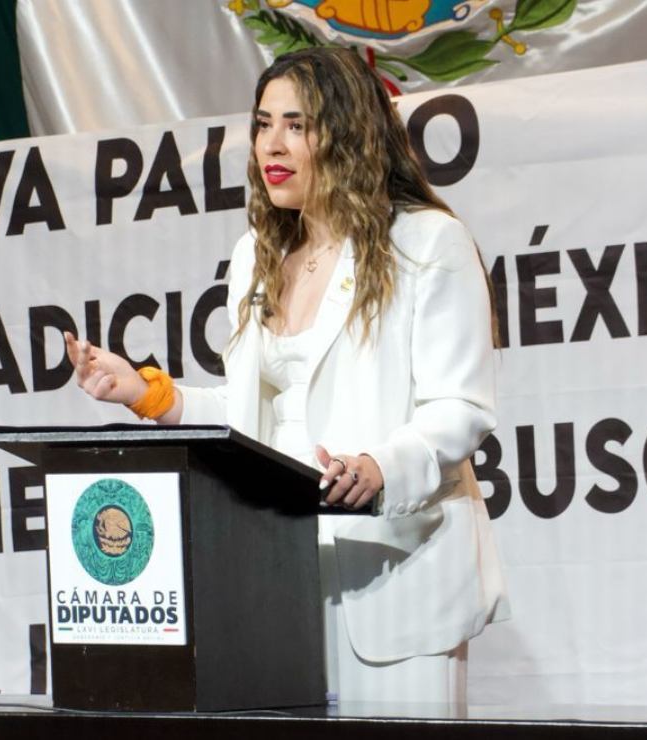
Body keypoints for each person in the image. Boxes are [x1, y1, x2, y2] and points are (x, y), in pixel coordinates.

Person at [63, 47, 509, 704]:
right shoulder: (256, 255)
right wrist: (148, 394)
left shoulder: (424, 242)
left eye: (297, 125)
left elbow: (461, 407)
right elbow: (257, 420)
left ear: (348, 134)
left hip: (394, 564)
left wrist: (381, 467)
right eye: (263, 124)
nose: (272, 144)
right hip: (281, 570)